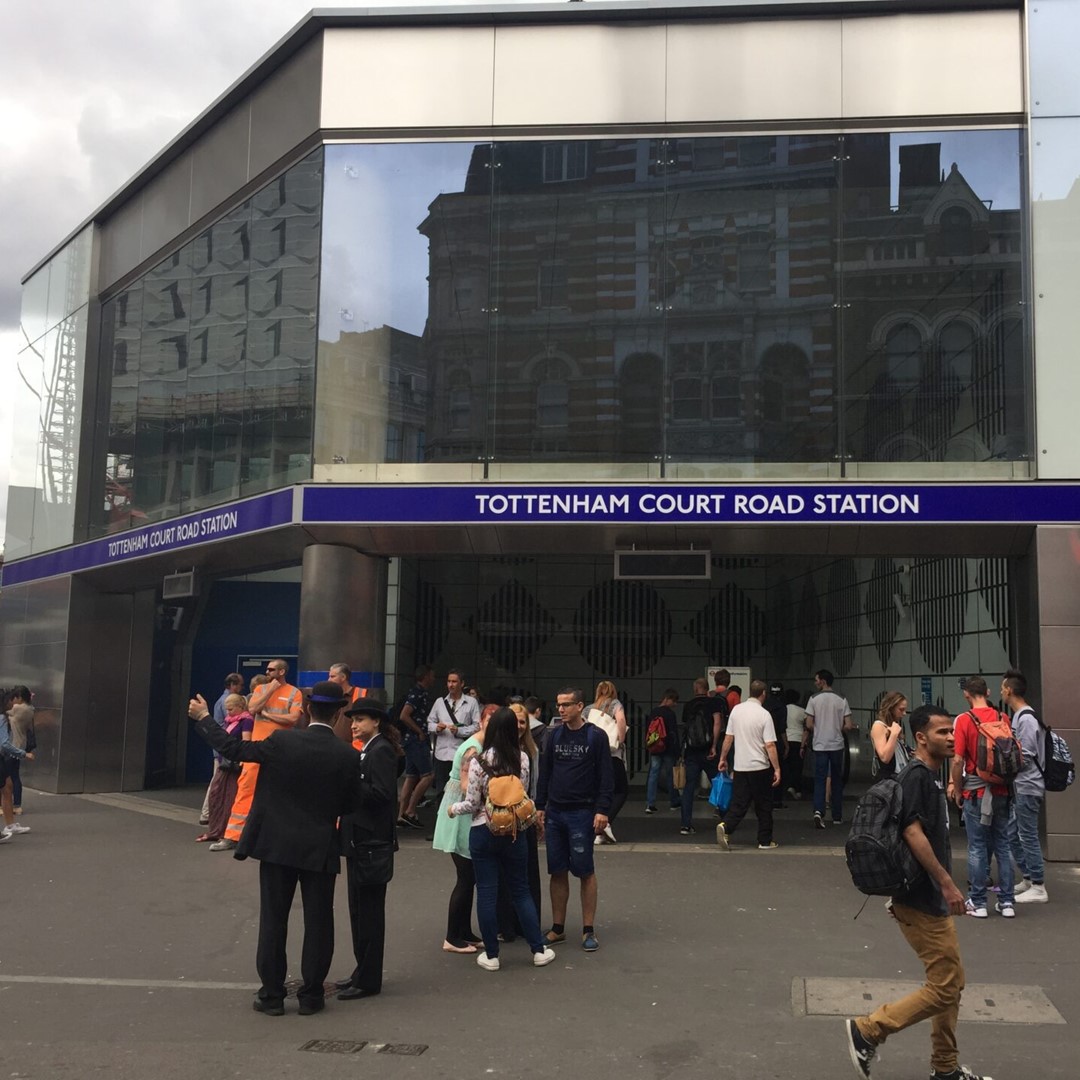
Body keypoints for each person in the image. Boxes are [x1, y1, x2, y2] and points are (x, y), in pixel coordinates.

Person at [187, 681, 362, 1016]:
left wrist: (205, 718)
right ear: (340, 712)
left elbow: (236, 750)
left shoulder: (282, 741)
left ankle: (271, 995)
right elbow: (352, 803)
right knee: (319, 921)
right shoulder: (347, 755)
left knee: (273, 919)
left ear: (309, 708)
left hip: (277, 844)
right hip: (319, 845)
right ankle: (311, 995)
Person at [845, 705, 991, 1080]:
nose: (950, 737)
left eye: (950, 731)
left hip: (926, 898)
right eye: (941, 732)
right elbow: (911, 834)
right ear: (921, 738)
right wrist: (946, 883)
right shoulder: (918, 778)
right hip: (924, 899)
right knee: (945, 989)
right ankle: (869, 1029)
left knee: (951, 984)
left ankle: (945, 1067)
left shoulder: (929, 777)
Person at [449, 708, 556, 972]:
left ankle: (492, 955)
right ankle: (538, 950)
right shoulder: (522, 759)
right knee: (520, 890)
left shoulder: (479, 761)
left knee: (487, 892)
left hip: (482, 831)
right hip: (513, 832)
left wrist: (454, 809)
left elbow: (473, 804)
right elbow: (522, 794)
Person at [535, 687, 613, 952]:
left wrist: (602, 810)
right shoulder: (553, 734)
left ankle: (588, 929)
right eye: (558, 705)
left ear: (580, 706)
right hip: (555, 812)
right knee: (557, 870)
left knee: (585, 870)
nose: (561, 709)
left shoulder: (596, 736)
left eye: (566, 705)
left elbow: (606, 775)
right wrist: (540, 806)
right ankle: (558, 928)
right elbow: (544, 772)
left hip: (583, 813)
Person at [334, 701, 402, 1000]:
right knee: (358, 910)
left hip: (371, 842)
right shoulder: (370, 749)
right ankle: (361, 971)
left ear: (376, 722)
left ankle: (368, 978)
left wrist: (351, 783)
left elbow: (382, 794)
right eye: (353, 720)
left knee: (368, 913)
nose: (354, 725)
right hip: (360, 840)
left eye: (360, 720)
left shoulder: (381, 750)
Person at [215, 659, 303, 852]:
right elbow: (253, 709)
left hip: (282, 750)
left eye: (271, 669)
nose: (267, 671)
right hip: (257, 749)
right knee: (245, 789)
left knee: (282, 792)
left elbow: (294, 719)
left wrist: (270, 716)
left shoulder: (294, 692)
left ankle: (277, 837)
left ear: (281, 671)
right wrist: (270, 689)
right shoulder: (261, 690)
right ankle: (232, 837)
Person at [950, 675, 1015, 918]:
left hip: (975, 791)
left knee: (977, 846)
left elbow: (958, 760)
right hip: (1002, 791)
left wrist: (957, 789)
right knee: (1002, 844)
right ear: (987, 692)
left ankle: (978, 903)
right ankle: (1007, 902)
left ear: (966, 694)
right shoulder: (1002, 717)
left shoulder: (965, 721)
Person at [432, 707, 490, 953]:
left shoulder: (476, 744)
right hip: (460, 817)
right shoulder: (473, 749)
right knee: (466, 878)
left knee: (469, 878)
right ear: (481, 721)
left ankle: (463, 932)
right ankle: (452, 937)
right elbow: (468, 788)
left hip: (459, 814)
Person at [716, 681, 781, 850]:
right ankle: (765, 840)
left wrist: (722, 758)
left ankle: (726, 826)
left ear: (749, 692)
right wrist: (777, 768)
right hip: (760, 766)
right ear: (764, 693)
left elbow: (728, 738)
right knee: (764, 805)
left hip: (740, 767)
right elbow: (770, 745)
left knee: (739, 802)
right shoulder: (764, 714)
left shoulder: (737, 710)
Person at [1000, 669, 1048, 904]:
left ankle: (1038, 885)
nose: (1001, 692)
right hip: (1023, 785)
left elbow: (1026, 755)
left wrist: (1004, 766)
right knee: (1013, 832)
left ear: (1009, 690)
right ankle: (1029, 878)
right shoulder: (1021, 716)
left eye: (1002, 688)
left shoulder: (1026, 718)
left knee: (1027, 834)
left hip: (1028, 785)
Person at [200, 693, 253, 845]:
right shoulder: (231, 721)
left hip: (233, 765)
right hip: (226, 762)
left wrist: (242, 760)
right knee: (217, 795)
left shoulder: (246, 721)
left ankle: (225, 831)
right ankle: (217, 829)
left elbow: (246, 742)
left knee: (227, 797)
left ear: (240, 707)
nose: (228, 713)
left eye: (230, 709)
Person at [805, 669, 854, 828]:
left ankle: (818, 811)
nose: (815, 682)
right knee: (836, 780)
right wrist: (838, 728)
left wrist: (818, 729)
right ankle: (837, 815)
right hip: (837, 744)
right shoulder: (841, 699)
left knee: (819, 778)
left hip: (820, 744)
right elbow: (848, 725)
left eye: (817, 680)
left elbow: (808, 724)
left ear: (823, 681)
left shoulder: (813, 699)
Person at [679, 677, 726, 836]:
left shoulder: (688, 705)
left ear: (695, 689)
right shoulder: (713, 703)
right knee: (719, 783)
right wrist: (713, 745)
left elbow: (686, 728)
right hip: (708, 751)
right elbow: (717, 723)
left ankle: (685, 825)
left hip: (692, 752)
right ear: (707, 689)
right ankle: (726, 822)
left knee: (689, 788)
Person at [198, 673, 244, 828]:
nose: (241, 688)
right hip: (224, 748)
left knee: (217, 781)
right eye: (240, 685)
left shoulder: (221, 700)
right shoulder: (227, 702)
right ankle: (207, 813)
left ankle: (208, 813)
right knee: (217, 782)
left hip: (220, 747)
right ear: (232, 684)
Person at [427, 669, 481, 799]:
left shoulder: (471, 703)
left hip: (461, 753)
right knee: (441, 791)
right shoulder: (440, 702)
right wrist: (436, 728)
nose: (451, 685)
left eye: (454, 681)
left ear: (461, 684)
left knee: (459, 790)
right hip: (441, 754)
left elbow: (477, 726)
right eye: (449, 681)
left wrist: (460, 731)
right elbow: (429, 723)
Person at [587, 680, 627, 844]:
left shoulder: (589, 708)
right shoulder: (615, 704)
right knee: (621, 790)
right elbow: (621, 720)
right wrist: (621, 739)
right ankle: (604, 823)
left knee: (598, 791)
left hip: (593, 756)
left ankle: (598, 834)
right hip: (612, 754)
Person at [396, 664, 436, 828]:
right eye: (432, 675)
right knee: (428, 775)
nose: (434, 678)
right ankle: (410, 811)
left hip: (411, 740)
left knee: (411, 777)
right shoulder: (417, 694)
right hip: (416, 740)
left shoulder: (420, 693)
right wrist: (419, 731)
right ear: (425, 676)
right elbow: (404, 715)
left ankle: (401, 815)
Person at [1, 689, 35, 842]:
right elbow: (4, 743)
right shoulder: (2, 718)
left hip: (5, 755)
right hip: (6, 753)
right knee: (8, 785)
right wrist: (23, 753)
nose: (12, 703)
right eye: (9, 700)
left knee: (7, 785)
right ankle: (10, 823)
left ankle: (10, 824)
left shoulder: (13, 714)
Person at [644, 688, 681, 814]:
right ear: (668, 699)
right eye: (674, 701)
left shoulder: (653, 712)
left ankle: (650, 803)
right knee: (671, 775)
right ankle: (674, 801)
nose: (675, 704)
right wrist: (678, 751)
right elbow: (673, 733)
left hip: (655, 747)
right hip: (668, 749)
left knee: (653, 774)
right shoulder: (670, 714)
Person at [871, 691, 910, 780]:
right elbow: (885, 757)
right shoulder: (879, 726)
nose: (904, 713)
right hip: (889, 779)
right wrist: (894, 734)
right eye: (901, 709)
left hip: (901, 775)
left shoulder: (893, 726)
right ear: (891, 708)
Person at [764, 681, 788, 808]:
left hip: (763, 741)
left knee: (764, 771)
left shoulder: (764, 705)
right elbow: (782, 728)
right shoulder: (782, 707)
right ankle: (777, 800)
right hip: (777, 741)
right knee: (778, 769)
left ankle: (764, 799)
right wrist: (786, 745)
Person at [782, 689, 807, 801]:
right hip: (798, 740)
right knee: (797, 767)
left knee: (786, 766)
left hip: (785, 739)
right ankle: (795, 787)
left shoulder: (783, 710)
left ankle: (786, 787)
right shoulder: (802, 711)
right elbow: (808, 727)